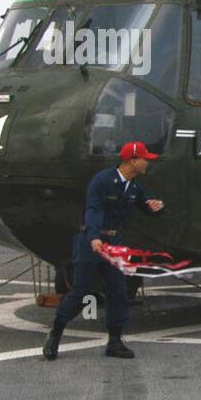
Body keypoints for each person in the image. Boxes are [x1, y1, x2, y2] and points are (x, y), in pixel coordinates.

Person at [43, 142, 165, 360]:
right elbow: (92, 209)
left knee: (119, 293)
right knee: (81, 291)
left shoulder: (134, 187)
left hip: (114, 242)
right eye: (145, 158)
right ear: (133, 161)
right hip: (91, 241)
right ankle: (55, 333)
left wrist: (156, 207)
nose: (149, 162)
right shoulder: (103, 181)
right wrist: (93, 237)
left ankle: (115, 342)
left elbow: (146, 206)